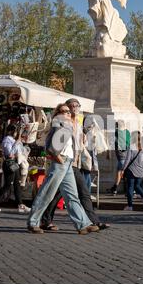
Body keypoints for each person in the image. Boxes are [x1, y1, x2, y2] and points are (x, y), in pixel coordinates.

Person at [26, 104, 99, 235]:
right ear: (58, 113)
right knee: (47, 193)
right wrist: (57, 157)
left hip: (68, 162)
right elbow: (49, 145)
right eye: (64, 111)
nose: (67, 114)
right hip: (60, 162)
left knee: (72, 195)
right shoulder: (57, 125)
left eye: (68, 112)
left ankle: (83, 224)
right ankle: (33, 222)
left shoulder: (67, 126)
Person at [39, 99, 110, 231]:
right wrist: (58, 157)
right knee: (58, 194)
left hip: (74, 163)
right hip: (63, 162)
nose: (74, 108)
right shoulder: (62, 122)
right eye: (71, 106)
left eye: (77, 106)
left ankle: (93, 221)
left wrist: (83, 138)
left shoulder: (77, 123)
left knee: (80, 193)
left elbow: (78, 144)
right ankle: (42, 220)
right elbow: (53, 142)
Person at [0, 124, 31, 214]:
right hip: (9, 163)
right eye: (16, 131)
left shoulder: (14, 140)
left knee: (17, 184)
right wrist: (17, 143)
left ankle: (20, 204)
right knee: (8, 184)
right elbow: (10, 154)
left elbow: (20, 152)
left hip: (15, 163)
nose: (16, 133)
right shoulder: (7, 140)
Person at [122, 131, 143, 211]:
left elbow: (127, 160)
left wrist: (123, 169)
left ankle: (130, 205)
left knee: (130, 187)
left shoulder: (131, 146)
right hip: (141, 170)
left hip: (131, 170)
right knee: (137, 186)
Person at [109, 120, 130, 195]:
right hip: (126, 155)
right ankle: (116, 188)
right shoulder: (127, 132)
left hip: (122, 156)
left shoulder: (117, 132)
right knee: (122, 172)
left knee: (120, 172)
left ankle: (116, 188)